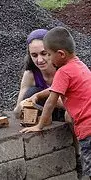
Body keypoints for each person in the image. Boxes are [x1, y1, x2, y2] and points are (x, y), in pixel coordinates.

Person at [20, 26, 91, 179]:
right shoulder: (79, 65)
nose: (48, 59)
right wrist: (38, 95)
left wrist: (39, 125)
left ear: (61, 54)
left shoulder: (63, 72)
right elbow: (54, 89)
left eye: (49, 55)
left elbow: (51, 102)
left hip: (88, 129)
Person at [14, 29, 65, 121]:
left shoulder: (66, 70)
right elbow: (17, 112)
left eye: (44, 53)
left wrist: (55, 101)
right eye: (34, 55)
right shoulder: (31, 75)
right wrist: (22, 105)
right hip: (42, 115)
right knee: (31, 92)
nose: (39, 60)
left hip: (66, 113)